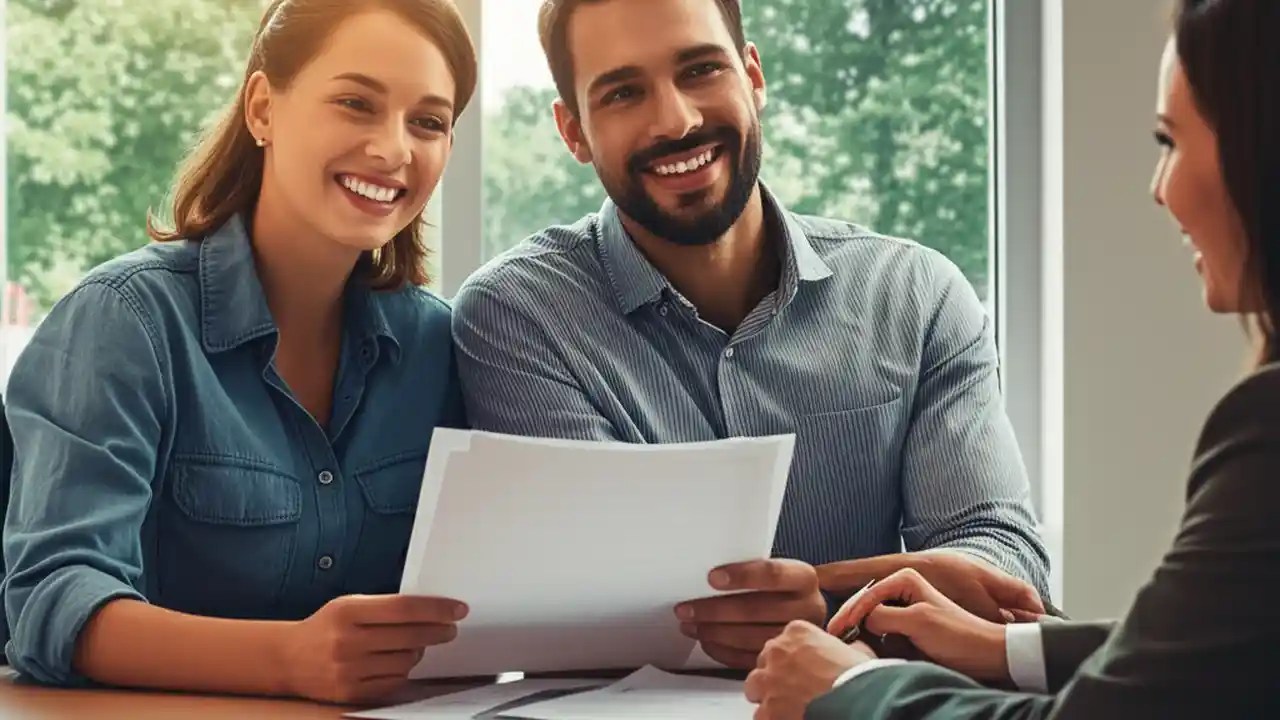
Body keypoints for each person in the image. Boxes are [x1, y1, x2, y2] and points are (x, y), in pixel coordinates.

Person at [451, 0, 1051, 673]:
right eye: (623, 92)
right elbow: (615, 606)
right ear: (574, 131)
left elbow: (1005, 572)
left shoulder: (918, 296)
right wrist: (863, 593)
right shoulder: (517, 315)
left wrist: (826, 599)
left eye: (701, 69)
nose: (676, 120)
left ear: (753, 76)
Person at [744, 0, 1280, 717]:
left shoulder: (1267, 427)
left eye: (1169, 141)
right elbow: (1220, 655)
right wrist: (1001, 648)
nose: (1159, 189)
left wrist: (847, 689)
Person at [2, 0, 476, 704]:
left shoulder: (440, 347)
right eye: (355, 103)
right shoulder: (125, 322)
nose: (394, 149)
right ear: (262, 108)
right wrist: (289, 658)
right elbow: (51, 599)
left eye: (428, 122)